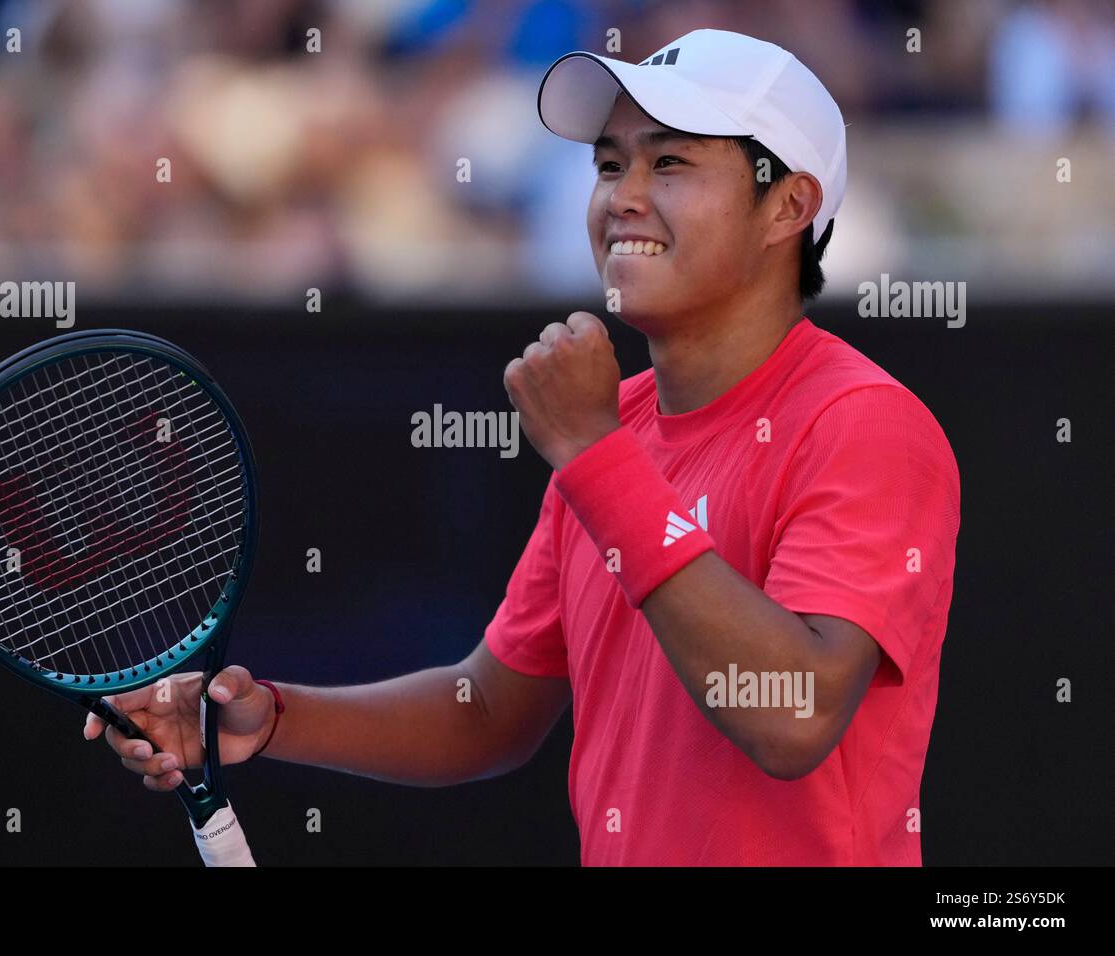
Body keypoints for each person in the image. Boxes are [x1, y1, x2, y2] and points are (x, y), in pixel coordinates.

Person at [85, 29, 960, 866]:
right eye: (610, 163)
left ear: (789, 206)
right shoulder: (611, 430)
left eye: (671, 161)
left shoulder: (860, 421)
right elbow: (491, 712)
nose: (622, 195)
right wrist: (272, 718)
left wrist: (592, 455)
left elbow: (794, 715)